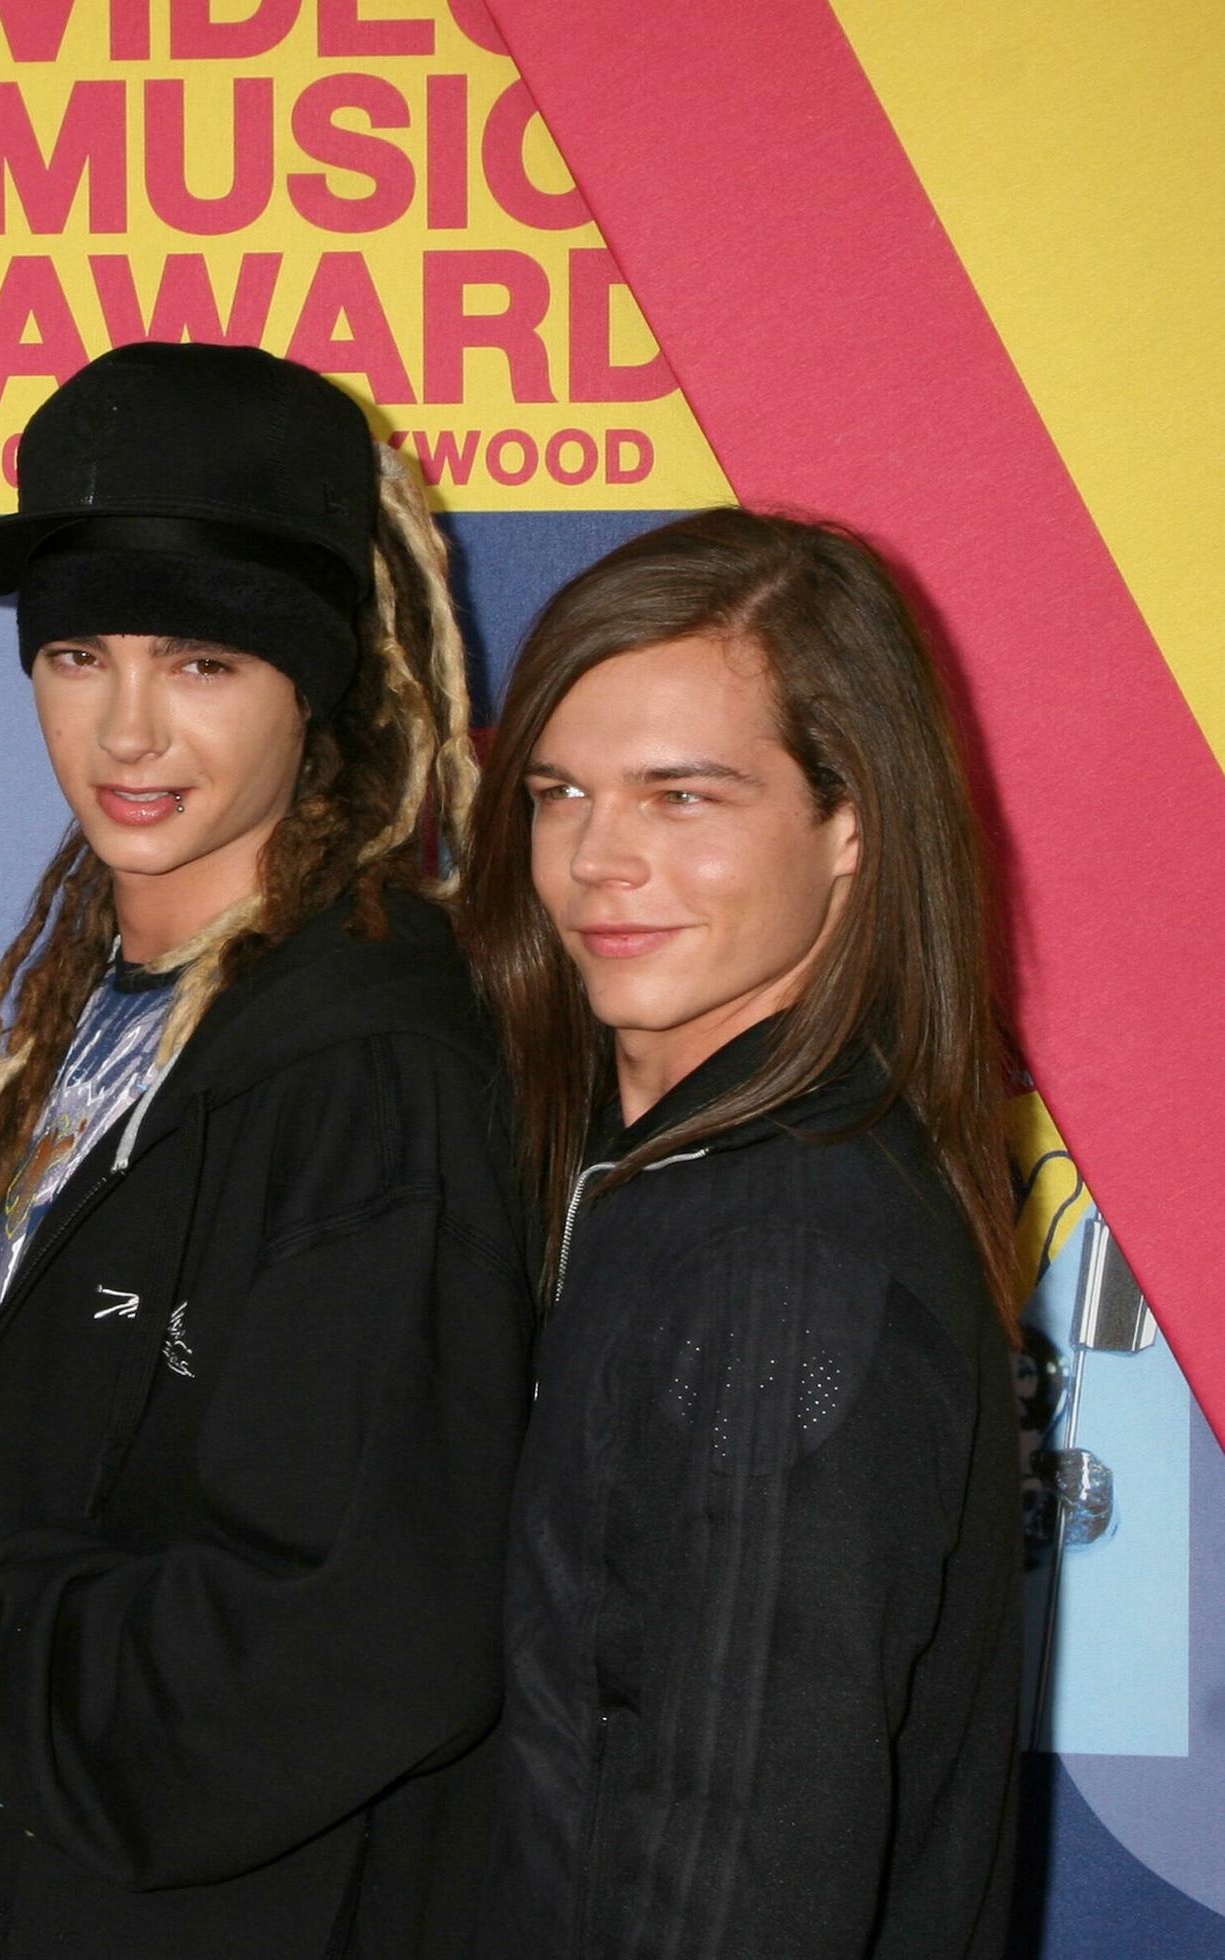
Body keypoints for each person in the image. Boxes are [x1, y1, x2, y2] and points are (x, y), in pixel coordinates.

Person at [0, 341, 536, 1956]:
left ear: (312, 675)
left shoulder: (370, 1075)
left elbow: (333, 1652)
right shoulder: (95, 1006)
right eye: (79, 654)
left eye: (201, 663)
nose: (126, 729)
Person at [464, 510, 1021, 1955]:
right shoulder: (663, 1185)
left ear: (853, 825)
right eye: (559, 793)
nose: (598, 860)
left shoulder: (772, 1264)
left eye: (684, 798)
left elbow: (737, 1879)